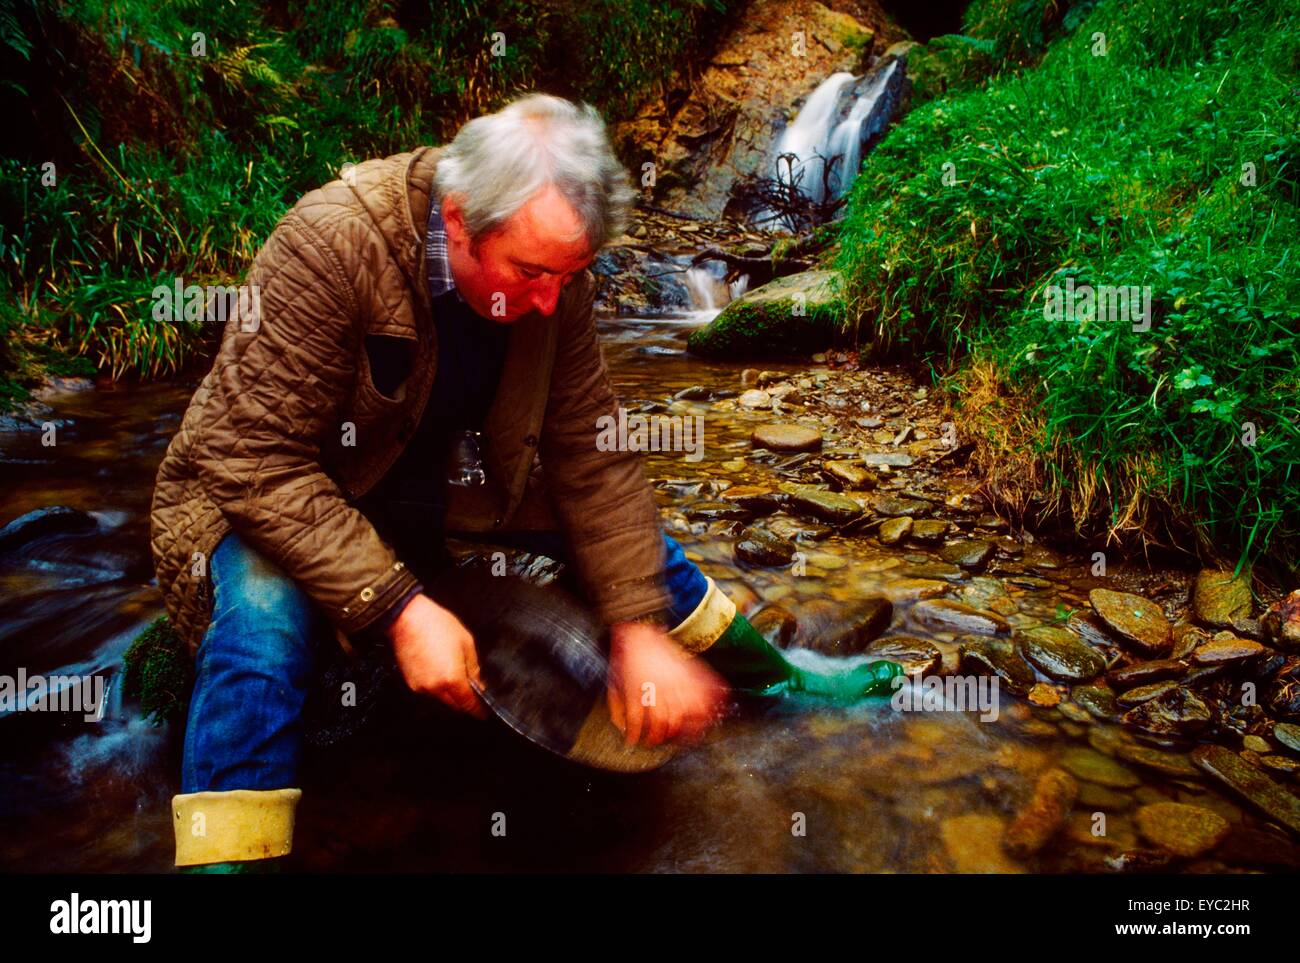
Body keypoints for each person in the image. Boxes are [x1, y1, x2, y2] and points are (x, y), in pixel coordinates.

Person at [153, 93, 880, 873]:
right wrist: (399, 608)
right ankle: (222, 861)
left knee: (633, 551)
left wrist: (636, 626)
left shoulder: (555, 281)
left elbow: (593, 456)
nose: (547, 301)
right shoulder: (331, 245)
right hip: (271, 497)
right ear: (459, 220)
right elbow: (252, 458)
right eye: (530, 273)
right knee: (265, 625)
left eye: (568, 278)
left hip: (433, 493)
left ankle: (774, 678)